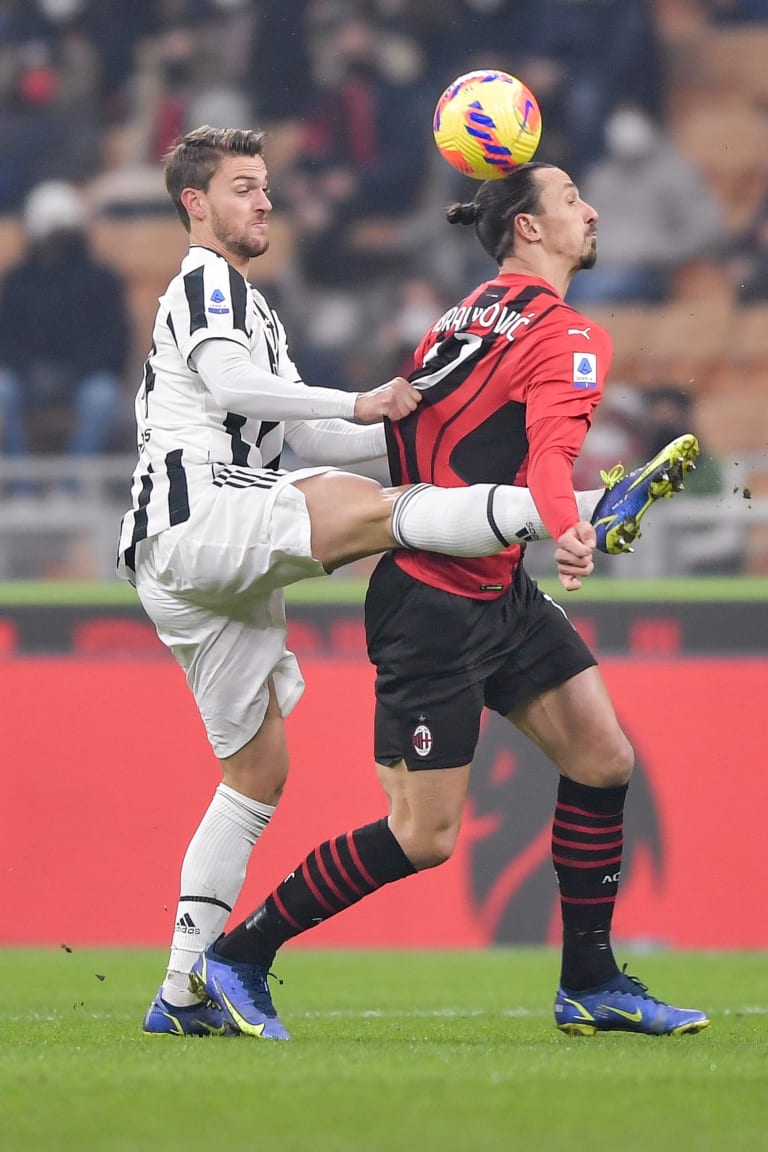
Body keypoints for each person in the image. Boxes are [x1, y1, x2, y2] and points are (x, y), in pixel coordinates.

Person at [189, 161, 708, 1041]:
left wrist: (549, 520)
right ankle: (241, 953)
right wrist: (567, 521)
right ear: (530, 229)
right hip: (432, 601)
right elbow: (547, 456)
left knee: (603, 756)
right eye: (572, 199)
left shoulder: (459, 316)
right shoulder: (570, 336)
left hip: (492, 582)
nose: (590, 210)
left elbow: (411, 443)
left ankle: (589, 980)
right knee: (424, 836)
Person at [0, 180, 129, 471]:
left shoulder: (101, 279)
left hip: (83, 378)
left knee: (103, 396)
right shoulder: (18, 280)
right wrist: (29, 368)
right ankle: (22, 486)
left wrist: (80, 368)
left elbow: (115, 342)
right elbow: (6, 339)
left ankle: (72, 485)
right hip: (28, 378)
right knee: (2, 390)